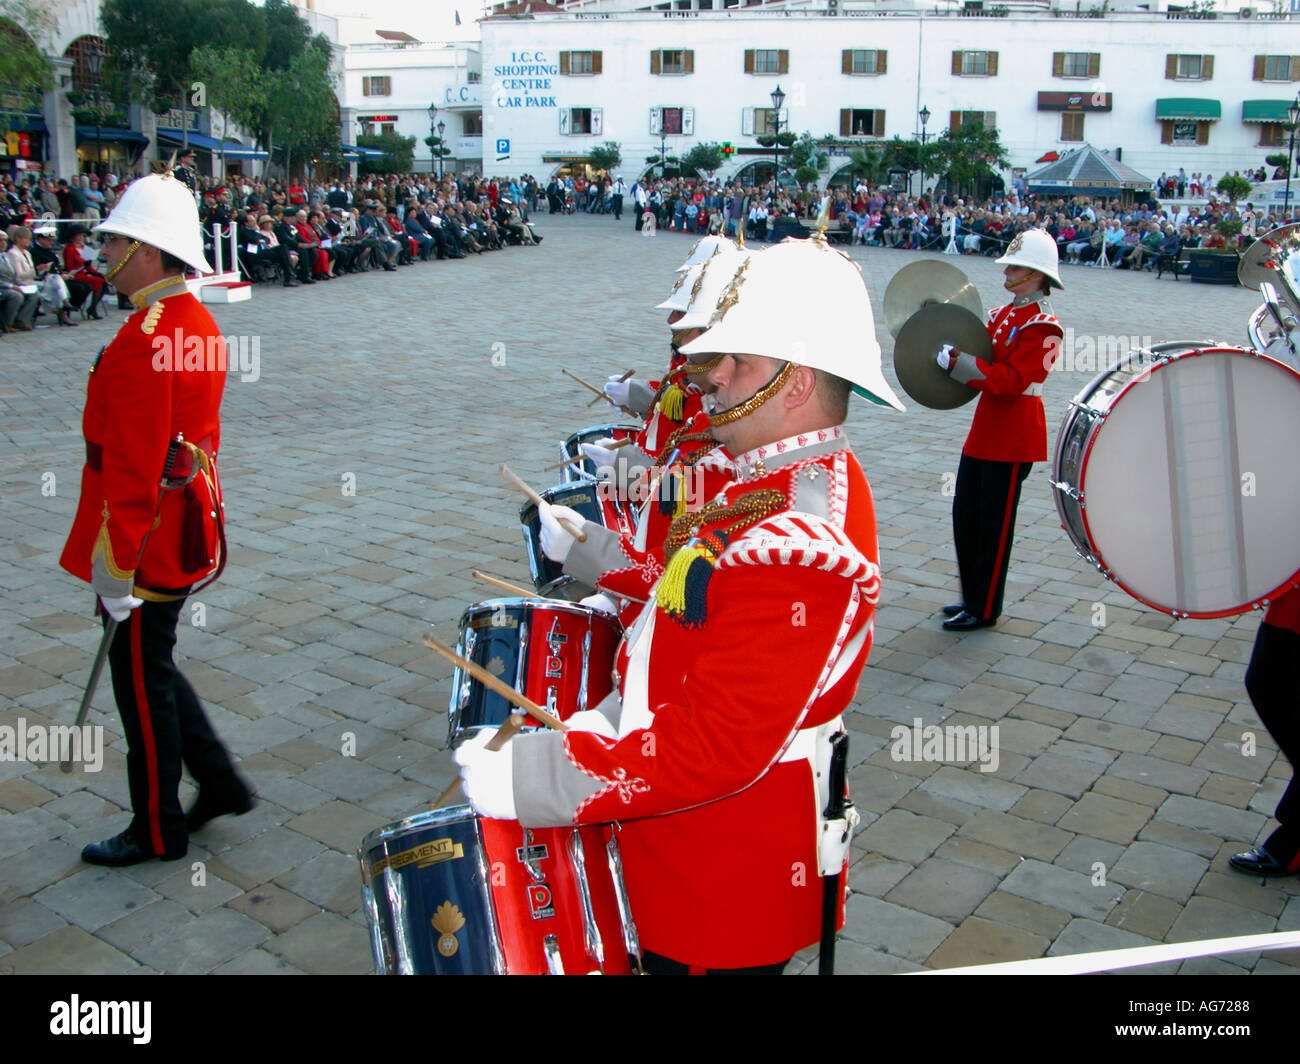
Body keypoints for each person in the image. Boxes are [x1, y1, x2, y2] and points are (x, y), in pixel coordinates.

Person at [456, 236, 904, 973]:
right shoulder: (761, 478)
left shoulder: (801, 535)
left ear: (795, 383)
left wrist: (537, 776)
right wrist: (601, 719)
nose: (716, 375)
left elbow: (719, 747)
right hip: (686, 837)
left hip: (720, 872)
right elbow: (681, 628)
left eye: (743, 359)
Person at [60, 171, 253, 867]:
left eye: (113, 238)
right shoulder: (191, 320)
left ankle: (156, 827)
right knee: (152, 665)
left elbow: (135, 465)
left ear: (146, 251)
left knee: (138, 682)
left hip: (147, 535)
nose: (102, 247)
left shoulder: (148, 334)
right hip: (183, 519)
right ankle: (222, 782)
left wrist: (117, 559)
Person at [937, 228, 1064, 631]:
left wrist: (960, 364)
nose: (1006, 271)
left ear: (1035, 275)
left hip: (1013, 435)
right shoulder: (1003, 314)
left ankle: (986, 607)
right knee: (967, 516)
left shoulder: (1045, 327)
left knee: (994, 525)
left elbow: (1010, 382)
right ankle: (972, 596)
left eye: (1015, 266)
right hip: (986, 429)